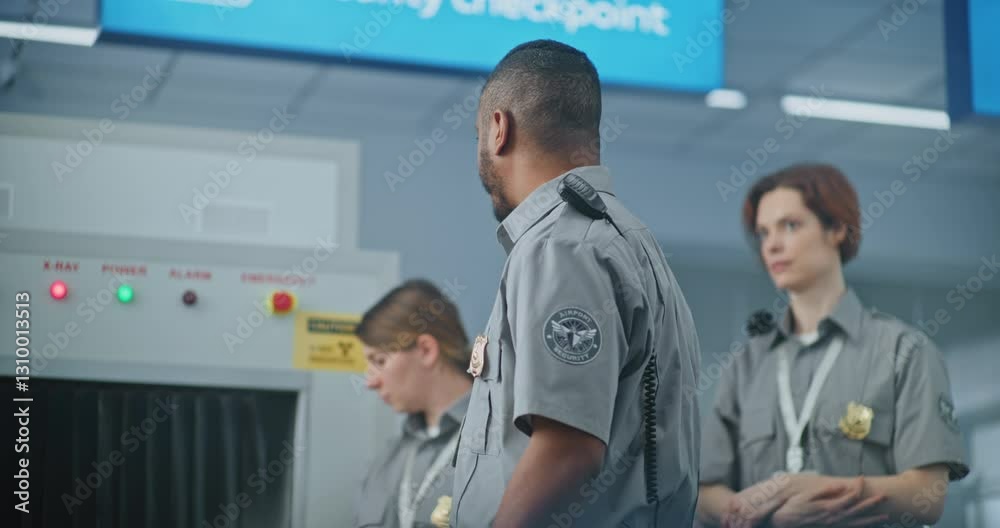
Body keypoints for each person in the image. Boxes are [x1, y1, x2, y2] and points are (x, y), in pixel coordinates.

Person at [449, 39, 701, 528]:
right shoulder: (627, 238)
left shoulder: (560, 245)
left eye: (478, 134)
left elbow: (568, 448)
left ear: (498, 129)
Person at [696, 163, 970, 528]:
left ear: (837, 228)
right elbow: (704, 490)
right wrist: (762, 512)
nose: (772, 245)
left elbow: (928, 495)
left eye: (790, 226)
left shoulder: (904, 352)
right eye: (763, 233)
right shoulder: (745, 365)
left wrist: (815, 492)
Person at [353, 279, 473, 528]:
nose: (370, 382)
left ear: (426, 350)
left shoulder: (503, 446)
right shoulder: (387, 461)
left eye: (380, 360)